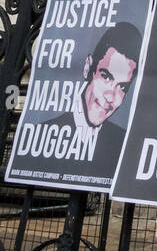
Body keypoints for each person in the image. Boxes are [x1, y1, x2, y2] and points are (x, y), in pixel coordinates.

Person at [36, 22, 142, 171]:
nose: (111, 97)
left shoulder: (126, 146)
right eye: (106, 77)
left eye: (122, 87)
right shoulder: (40, 135)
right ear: (88, 68)